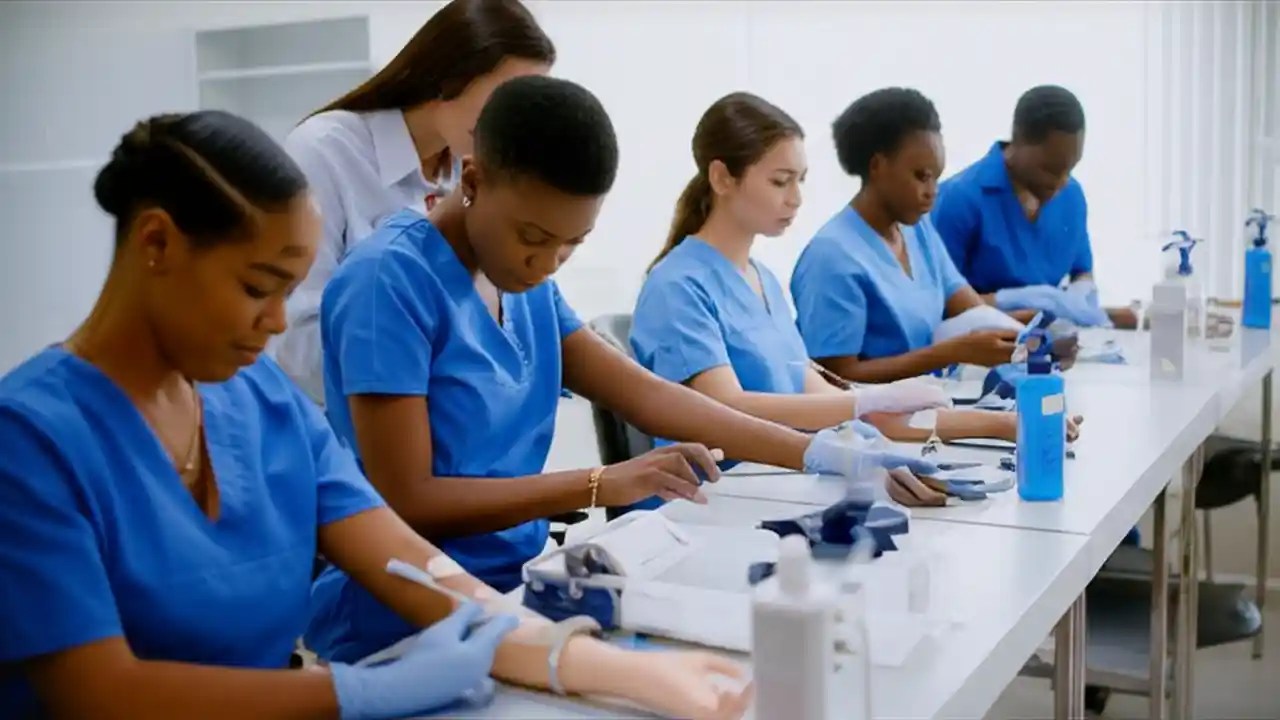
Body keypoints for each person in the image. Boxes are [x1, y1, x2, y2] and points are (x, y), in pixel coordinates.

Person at [0, 110, 756, 720]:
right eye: (259, 286)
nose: (275, 323)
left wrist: (614, 671)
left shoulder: (262, 405)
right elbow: (99, 694)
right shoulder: (31, 439)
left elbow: (420, 572)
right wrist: (354, 693)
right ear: (156, 242)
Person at [309, 76, 951, 663]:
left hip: (514, 590)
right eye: (533, 238)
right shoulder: (386, 282)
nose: (547, 263)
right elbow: (407, 499)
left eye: (572, 244)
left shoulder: (525, 281)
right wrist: (596, 483)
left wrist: (820, 452)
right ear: (472, 182)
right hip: (399, 615)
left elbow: (648, 396)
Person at [631, 92, 1076, 460]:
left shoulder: (762, 280)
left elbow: (833, 407)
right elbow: (727, 407)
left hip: (782, 480)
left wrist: (1008, 424)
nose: (797, 199)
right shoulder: (678, 287)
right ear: (722, 178)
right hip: (715, 501)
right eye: (780, 181)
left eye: (801, 180)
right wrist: (866, 399)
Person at [271, 0, 556, 403]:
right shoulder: (325, 151)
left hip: (450, 414)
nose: (512, 126)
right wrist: (420, 369)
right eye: (504, 102)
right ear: (447, 77)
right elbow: (295, 341)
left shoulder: (468, 168)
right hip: (346, 427)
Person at [791, 88, 1029, 385]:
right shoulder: (832, 258)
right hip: (860, 424)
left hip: (924, 406)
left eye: (937, 177)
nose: (932, 191)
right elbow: (834, 376)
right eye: (921, 176)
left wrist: (1028, 333)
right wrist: (948, 353)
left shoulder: (917, 231)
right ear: (877, 166)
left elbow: (970, 309)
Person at [931, 85, 1134, 328]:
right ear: (1018, 141)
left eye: (1069, 169)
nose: (1060, 183)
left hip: (1050, 347)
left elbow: (1081, 269)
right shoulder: (960, 199)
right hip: (977, 350)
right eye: (1049, 170)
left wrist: (1081, 292)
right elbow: (935, 305)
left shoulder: (1071, 196)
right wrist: (1009, 301)